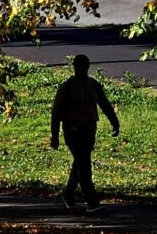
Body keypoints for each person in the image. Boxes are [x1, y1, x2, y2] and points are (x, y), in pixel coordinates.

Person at [47, 53, 120, 210]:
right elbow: (56, 112)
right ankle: (92, 201)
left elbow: (104, 104)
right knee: (84, 164)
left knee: (80, 163)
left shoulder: (93, 85)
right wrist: (55, 136)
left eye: (83, 66)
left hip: (89, 130)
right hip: (72, 130)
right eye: (77, 66)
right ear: (74, 67)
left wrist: (114, 121)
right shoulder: (67, 87)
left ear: (87, 67)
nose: (80, 69)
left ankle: (68, 194)